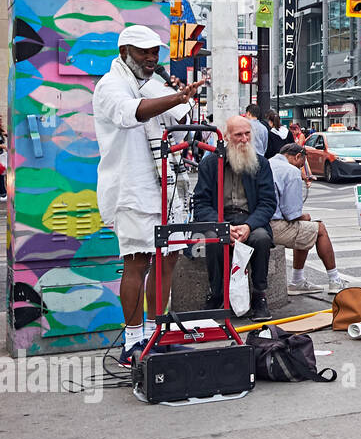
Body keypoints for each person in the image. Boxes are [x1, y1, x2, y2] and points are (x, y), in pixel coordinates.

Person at [92, 25, 205, 349]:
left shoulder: (153, 85)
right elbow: (131, 114)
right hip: (132, 187)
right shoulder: (110, 86)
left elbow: (182, 127)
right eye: (144, 52)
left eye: (155, 51)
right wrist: (175, 97)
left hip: (167, 188)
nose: (152, 57)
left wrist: (183, 101)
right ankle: (132, 342)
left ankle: (157, 334)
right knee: (138, 260)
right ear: (124, 52)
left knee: (168, 259)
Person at [192, 115, 278, 322]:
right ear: (227, 138)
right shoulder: (210, 165)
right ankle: (217, 293)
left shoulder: (261, 164)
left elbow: (268, 203)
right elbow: (200, 204)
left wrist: (248, 226)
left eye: (247, 134)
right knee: (213, 238)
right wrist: (224, 227)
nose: (244, 139)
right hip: (220, 220)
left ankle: (259, 295)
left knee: (261, 238)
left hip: (251, 219)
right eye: (238, 135)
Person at [269, 143, 352, 295]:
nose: (301, 168)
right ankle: (334, 280)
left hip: (261, 223)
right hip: (274, 226)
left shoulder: (268, 163)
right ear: (297, 157)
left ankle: (297, 280)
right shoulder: (290, 171)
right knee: (319, 229)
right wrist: (304, 216)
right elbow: (291, 214)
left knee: (306, 229)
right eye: (301, 164)